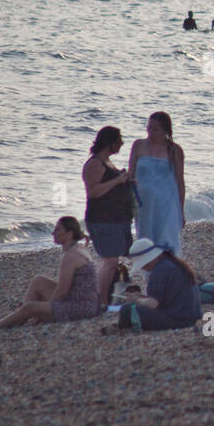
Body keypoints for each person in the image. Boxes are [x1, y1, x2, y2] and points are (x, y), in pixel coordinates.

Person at [0, 217, 102, 331]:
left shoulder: (71, 256)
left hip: (81, 307)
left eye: (58, 230)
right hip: (82, 299)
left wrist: (44, 308)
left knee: (29, 307)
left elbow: (62, 291)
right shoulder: (78, 248)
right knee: (38, 281)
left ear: (69, 234)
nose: (53, 233)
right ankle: (20, 317)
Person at [82, 125, 134, 305]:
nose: (122, 143)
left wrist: (122, 179)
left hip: (116, 219)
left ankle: (101, 298)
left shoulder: (107, 162)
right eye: (118, 140)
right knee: (110, 261)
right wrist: (117, 180)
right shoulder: (94, 163)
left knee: (110, 260)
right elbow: (93, 192)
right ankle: (101, 301)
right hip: (102, 220)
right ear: (108, 143)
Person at [128, 111, 185, 256]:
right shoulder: (138, 145)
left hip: (166, 203)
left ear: (165, 131)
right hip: (143, 203)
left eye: (156, 129)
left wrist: (181, 210)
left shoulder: (174, 150)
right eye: (149, 128)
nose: (151, 133)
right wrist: (130, 203)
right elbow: (131, 176)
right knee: (146, 242)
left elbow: (180, 182)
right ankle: (149, 276)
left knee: (166, 242)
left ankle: (170, 273)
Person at [116, 238, 204, 331]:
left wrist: (136, 299)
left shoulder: (159, 271)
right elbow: (164, 297)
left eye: (143, 264)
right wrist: (142, 298)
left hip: (177, 320)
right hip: (189, 317)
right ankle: (125, 326)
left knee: (126, 309)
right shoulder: (171, 263)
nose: (143, 268)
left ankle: (122, 328)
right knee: (134, 308)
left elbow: (153, 304)